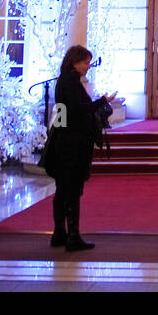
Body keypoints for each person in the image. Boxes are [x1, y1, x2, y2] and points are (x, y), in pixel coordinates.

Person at [41, 45, 114, 252]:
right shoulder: (70, 82)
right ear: (75, 61)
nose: (88, 66)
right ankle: (72, 236)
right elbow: (77, 111)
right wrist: (102, 101)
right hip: (72, 146)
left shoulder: (63, 81)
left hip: (64, 141)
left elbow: (63, 114)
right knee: (72, 189)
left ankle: (59, 232)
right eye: (85, 62)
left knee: (63, 190)